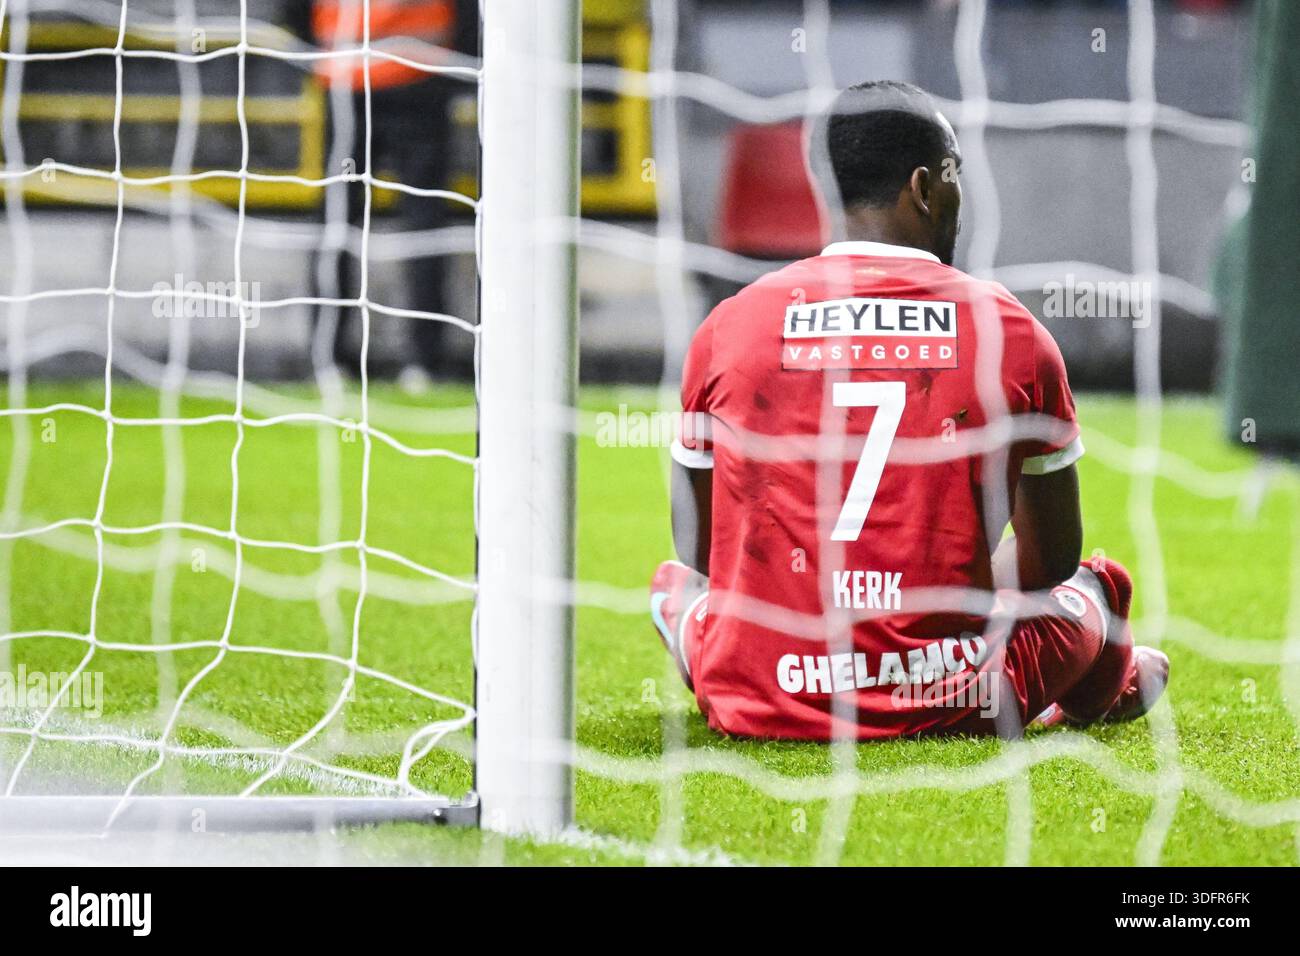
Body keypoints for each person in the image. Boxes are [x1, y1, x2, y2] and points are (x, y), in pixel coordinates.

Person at [650, 80, 1169, 740]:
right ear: (925, 187)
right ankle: (1105, 686)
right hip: (949, 694)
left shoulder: (728, 326)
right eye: (955, 177)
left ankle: (762, 659)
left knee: (669, 586)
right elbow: (1051, 562)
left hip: (761, 692)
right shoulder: (1008, 329)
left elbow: (697, 547)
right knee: (1098, 591)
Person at [308, 0, 470, 383]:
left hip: (360, 77)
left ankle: (329, 360)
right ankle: (422, 362)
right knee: (421, 221)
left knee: (340, 219)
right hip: (413, 74)